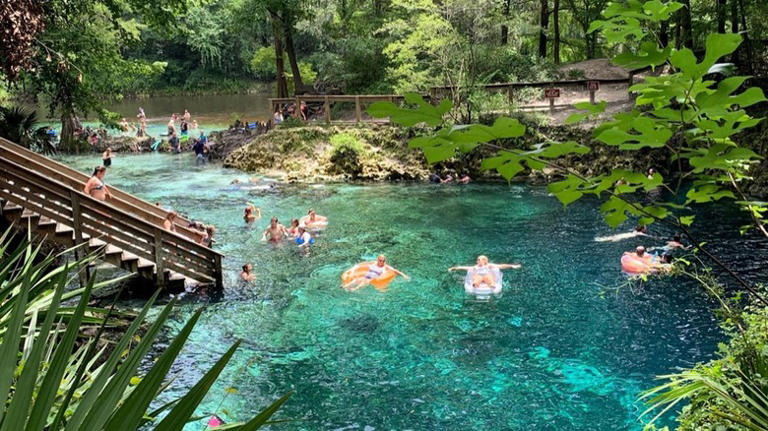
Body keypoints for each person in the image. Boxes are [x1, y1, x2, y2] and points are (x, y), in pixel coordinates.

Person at [448, 255, 521, 288]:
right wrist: (453, 268)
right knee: (477, 277)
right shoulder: (475, 267)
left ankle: (491, 284)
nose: (479, 261)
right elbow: (464, 267)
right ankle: (475, 284)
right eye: (478, 260)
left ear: (485, 261)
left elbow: (501, 266)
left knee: (488, 276)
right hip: (478, 277)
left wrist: (512, 266)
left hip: (487, 277)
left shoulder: (489, 265)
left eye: (481, 259)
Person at [343, 255, 409, 291]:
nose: (381, 262)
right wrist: (356, 267)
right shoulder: (374, 263)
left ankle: (354, 289)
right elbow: (363, 264)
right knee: (357, 279)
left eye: (383, 261)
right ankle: (345, 286)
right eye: (380, 260)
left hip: (371, 278)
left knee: (364, 282)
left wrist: (404, 275)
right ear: (378, 260)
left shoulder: (385, 267)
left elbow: (395, 271)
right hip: (366, 275)